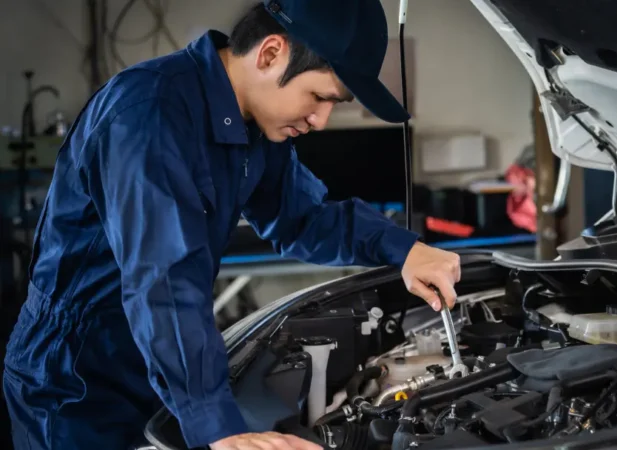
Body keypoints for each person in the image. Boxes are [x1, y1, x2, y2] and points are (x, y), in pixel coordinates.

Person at [3, 1, 462, 449]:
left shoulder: (256, 127)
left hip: (161, 361)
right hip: (76, 379)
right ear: (270, 54)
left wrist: (403, 249)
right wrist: (216, 425)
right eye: (320, 97)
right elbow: (164, 280)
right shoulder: (147, 115)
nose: (321, 120)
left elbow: (302, 217)